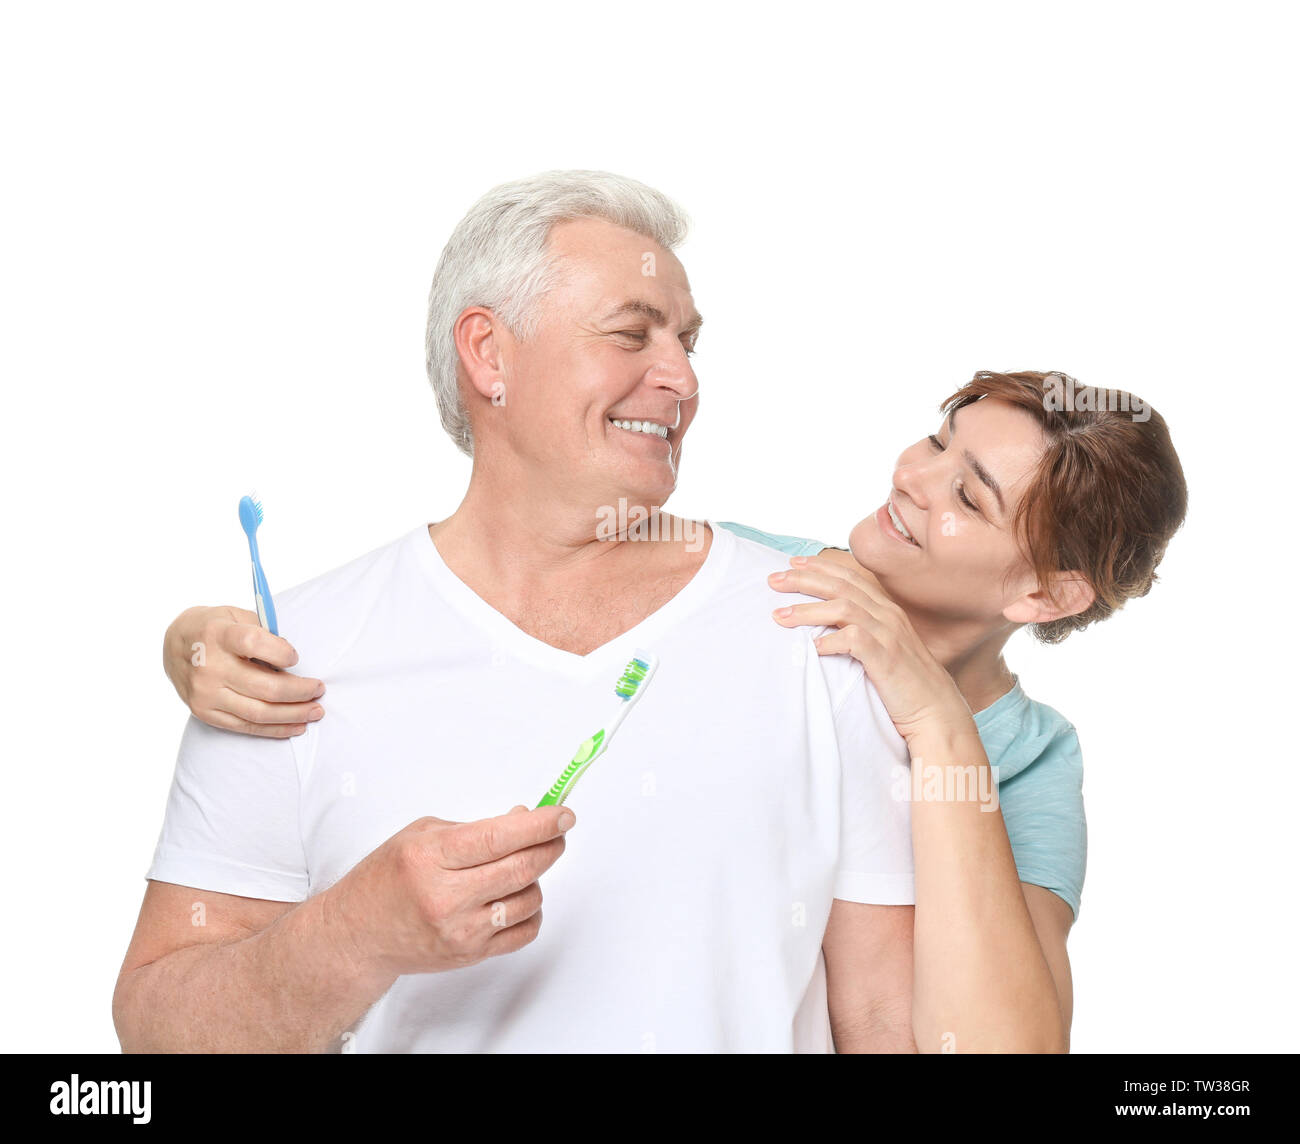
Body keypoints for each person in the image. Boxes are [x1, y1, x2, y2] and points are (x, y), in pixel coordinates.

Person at [113, 170, 918, 1055]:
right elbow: (158, 1036)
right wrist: (352, 936)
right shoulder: (281, 666)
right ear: (488, 355)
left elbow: (883, 1020)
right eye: (632, 334)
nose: (683, 378)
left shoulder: (819, 631)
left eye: (688, 342)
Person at [162, 368, 1187, 1052]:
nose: (915, 480)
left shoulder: (1027, 760)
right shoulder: (743, 575)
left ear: (1045, 594)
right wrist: (198, 641)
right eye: (935, 440)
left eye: (969, 497)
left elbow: (999, 1046)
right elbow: (482, 578)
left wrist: (937, 719)